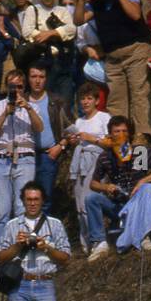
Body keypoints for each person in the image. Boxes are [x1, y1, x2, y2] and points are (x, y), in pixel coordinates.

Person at [75, 0, 151, 144]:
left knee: (139, 94)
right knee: (116, 99)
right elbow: (78, 20)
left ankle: (141, 137)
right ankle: (119, 137)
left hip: (136, 50)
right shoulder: (96, 1)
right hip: (112, 57)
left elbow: (135, 14)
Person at [85, 115, 151, 260]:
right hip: (119, 205)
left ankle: (144, 234)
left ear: (129, 134)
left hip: (138, 202)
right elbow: (93, 183)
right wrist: (105, 187)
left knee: (147, 188)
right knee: (91, 198)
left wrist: (143, 181)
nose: (121, 135)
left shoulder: (139, 153)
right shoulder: (106, 157)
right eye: (116, 131)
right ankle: (100, 243)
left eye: (124, 131)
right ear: (110, 135)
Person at [0, 182, 72, 301]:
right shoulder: (12, 225)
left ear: (42, 200)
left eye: (36, 199)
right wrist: (17, 245)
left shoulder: (54, 225)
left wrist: (46, 247)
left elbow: (65, 258)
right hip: (19, 285)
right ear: (23, 201)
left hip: (45, 283)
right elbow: (0, 256)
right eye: (29, 199)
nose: (32, 203)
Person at [0, 69, 45, 245]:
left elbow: (39, 127)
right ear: (6, 87)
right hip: (1, 158)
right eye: (13, 87)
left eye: (19, 87)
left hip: (25, 158)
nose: (16, 90)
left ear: (24, 87)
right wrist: (6, 112)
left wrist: (26, 107)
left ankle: (23, 250)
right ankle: (3, 251)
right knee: (2, 212)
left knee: (22, 208)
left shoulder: (32, 106)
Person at [62, 82, 112, 250]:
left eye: (89, 98)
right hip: (80, 161)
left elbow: (111, 143)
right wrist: (74, 141)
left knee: (90, 199)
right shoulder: (79, 120)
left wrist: (92, 138)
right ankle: (86, 243)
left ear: (97, 101)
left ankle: (98, 239)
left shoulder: (104, 118)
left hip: (97, 160)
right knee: (80, 202)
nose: (85, 102)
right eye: (82, 99)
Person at [26, 63, 72, 204]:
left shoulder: (57, 101)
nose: (37, 80)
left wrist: (60, 146)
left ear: (46, 79)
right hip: (25, 157)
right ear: (28, 78)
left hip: (48, 155)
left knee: (45, 200)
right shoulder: (22, 101)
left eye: (41, 77)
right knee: (25, 201)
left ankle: (44, 226)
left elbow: (72, 130)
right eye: (34, 76)